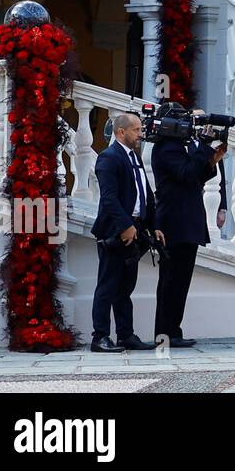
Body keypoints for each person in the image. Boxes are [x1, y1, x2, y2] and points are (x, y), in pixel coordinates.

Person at [152, 105, 227, 348]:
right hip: (174, 222)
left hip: (186, 221)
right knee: (171, 281)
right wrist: (204, 147)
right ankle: (165, 333)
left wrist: (211, 161)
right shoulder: (166, 148)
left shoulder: (179, 147)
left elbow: (193, 177)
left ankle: (173, 330)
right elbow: (185, 173)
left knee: (180, 282)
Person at [89, 112, 159, 353]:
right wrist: (125, 226)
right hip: (114, 233)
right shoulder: (108, 158)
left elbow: (145, 195)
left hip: (135, 231)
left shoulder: (134, 157)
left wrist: (153, 226)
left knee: (125, 288)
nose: (141, 134)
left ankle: (125, 335)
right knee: (107, 286)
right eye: (136, 130)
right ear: (121, 132)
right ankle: (99, 337)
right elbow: (109, 199)